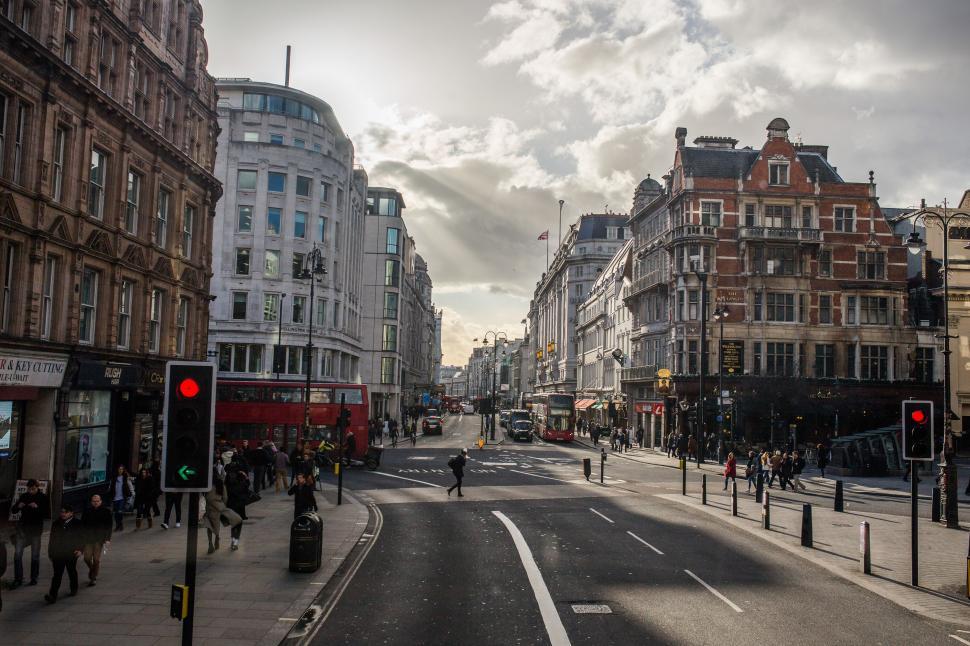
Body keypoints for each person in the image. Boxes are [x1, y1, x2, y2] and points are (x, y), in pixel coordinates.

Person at [11, 479, 48, 588]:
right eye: (29, 489)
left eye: (33, 489)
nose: (31, 491)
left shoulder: (43, 497)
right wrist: (18, 506)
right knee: (17, 555)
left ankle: (34, 578)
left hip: (35, 530)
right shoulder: (24, 496)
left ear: (37, 487)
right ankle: (18, 578)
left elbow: (46, 513)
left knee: (35, 556)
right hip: (22, 530)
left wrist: (37, 507)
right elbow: (13, 510)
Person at [44, 504, 83, 604]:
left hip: (71, 552)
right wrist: (51, 553)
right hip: (58, 553)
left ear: (71, 513)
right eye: (62, 512)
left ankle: (74, 588)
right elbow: (52, 539)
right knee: (57, 574)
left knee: (71, 571)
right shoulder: (56, 524)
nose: (63, 514)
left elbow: (82, 537)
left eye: (66, 512)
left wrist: (80, 550)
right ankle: (53, 595)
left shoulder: (77, 523)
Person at [202, 471, 241, 555]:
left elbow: (205, 496)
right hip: (218, 508)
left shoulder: (207, 485)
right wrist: (222, 505)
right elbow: (225, 497)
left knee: (209, 526)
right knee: (216, 525)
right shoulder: (220, 485)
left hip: (209, 508)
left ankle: (210, 543)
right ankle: (216, 538)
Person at [81, 494, 112, 586]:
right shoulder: (87, 511)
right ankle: (92, 570)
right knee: (87, 558)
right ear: (91, 502)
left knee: (96, 559)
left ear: (101, 501)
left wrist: (107, 539)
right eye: (94, 501)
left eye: (97, 501)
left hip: (99, 539)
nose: (96, 503)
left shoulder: (106, 511)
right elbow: (82, 525)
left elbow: (109, 526)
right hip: (88, 539)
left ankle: (93, 577)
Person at [225, 466, 249, 551]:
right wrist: (246, 477)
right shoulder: (242, 482)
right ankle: (235, 542)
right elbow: (247, 487)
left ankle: (233, 539)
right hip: (240, 506)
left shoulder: (228, 483)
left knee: (233, 524)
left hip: (231, 505)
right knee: (239, 524)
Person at [107, 465, 132, 532]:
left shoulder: (125, 478)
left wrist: (131, 494)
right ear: (117, 470)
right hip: (115, 498)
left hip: (122, 498)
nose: (120, 470)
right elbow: (110, 486)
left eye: (122, 469)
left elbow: (130, 486)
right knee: (116, 513)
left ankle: (120, 525)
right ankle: (118, 526)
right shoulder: (114, 478)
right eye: (119, 469)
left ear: (123, 470)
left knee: (120, 512)